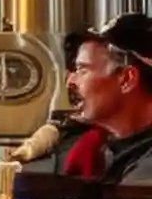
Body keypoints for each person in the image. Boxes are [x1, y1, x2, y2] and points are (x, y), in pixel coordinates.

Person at [45, 14, 152, 184]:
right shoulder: (90, 150)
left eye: (82, 69)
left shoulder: (145, 173)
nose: (71, 81)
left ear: (126, 79)